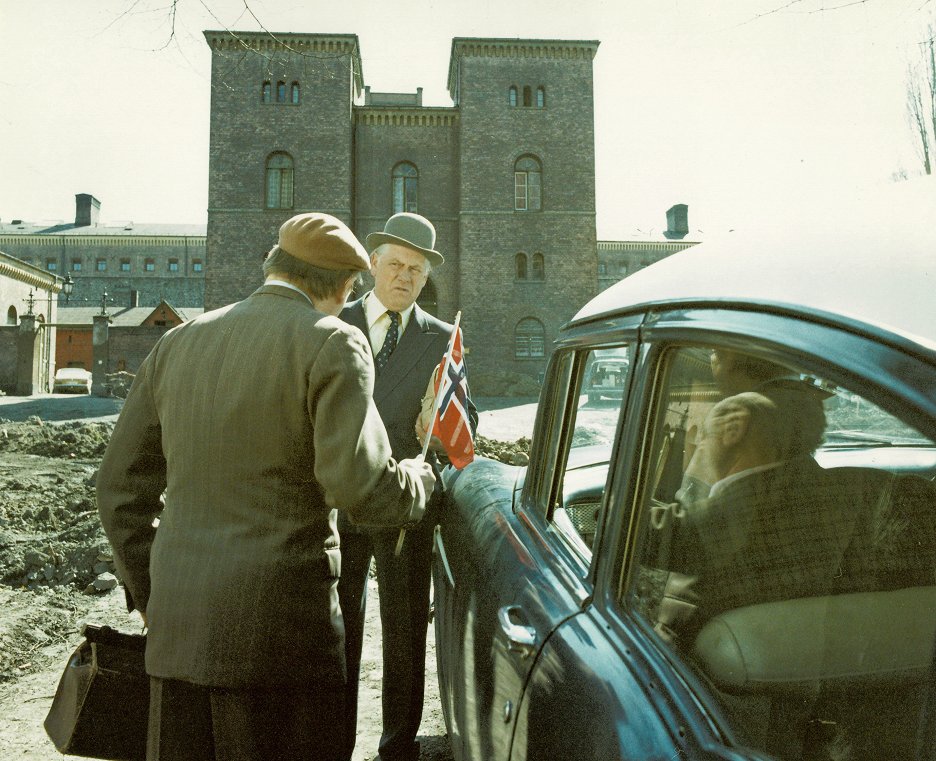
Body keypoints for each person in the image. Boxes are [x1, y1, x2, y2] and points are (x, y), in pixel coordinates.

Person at [96, 213, 437, 761]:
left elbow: (117, 489)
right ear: (346, 286)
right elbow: (361, 484)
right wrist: (420, 480)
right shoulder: (333, 342)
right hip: (282, 648)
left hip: (177, 639)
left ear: (274, 268)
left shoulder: (180, 339)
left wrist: (156, 595)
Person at [337, 212, 478, 761]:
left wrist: (437, 431)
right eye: (395, 264)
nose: (404, 277)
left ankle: (398, 746)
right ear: (373, 264)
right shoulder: (333, 322)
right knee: (338, 627)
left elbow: (468, 419)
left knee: (404, 632)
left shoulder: (443, 339)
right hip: (340, 499)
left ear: (426, 278)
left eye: (416, 270)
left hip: (406, 502)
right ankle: (333, 742)